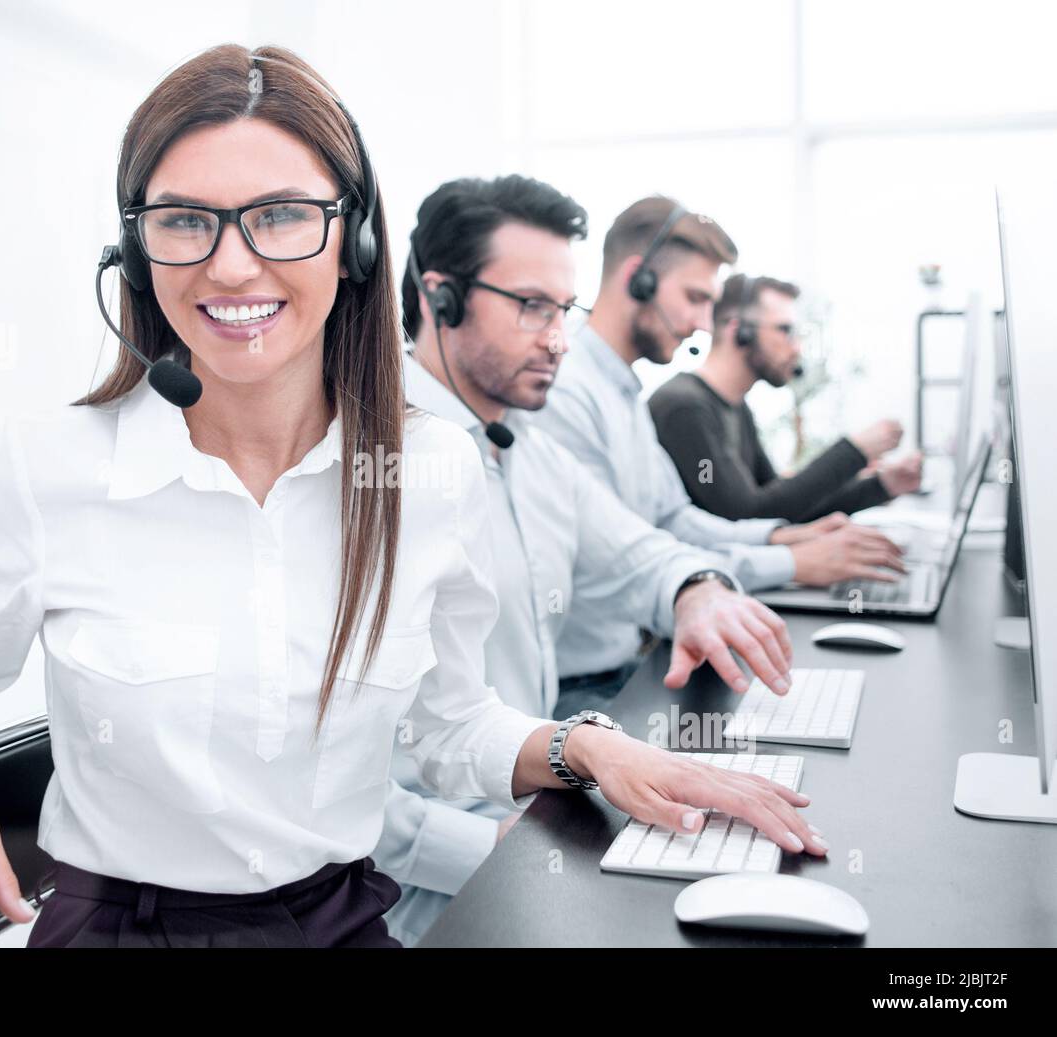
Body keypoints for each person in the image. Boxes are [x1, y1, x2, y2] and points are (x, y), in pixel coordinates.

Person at [0, 46, 822, 951]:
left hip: (344, 920)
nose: (230, 262)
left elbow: (446, 723)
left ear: (352, 243)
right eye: (182, 221)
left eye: (280, 215)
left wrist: (585, 750)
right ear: (135, 251)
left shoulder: (428, 469)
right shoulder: (50, 467)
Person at [374, 175, 822, 946]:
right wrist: (484, 850)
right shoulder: (371, 465)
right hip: (426, 892)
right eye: (531, 306)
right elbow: (324, 781)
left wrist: (696, 588)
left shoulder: (530, 447)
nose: (558, 338)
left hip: (540, 808)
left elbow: (642, 545)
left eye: (564, 310)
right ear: (439, 298)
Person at [531, 195, 905, 714]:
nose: (706, 324)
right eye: (694, 297)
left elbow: (673, 517)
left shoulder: (622, 390)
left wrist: (780, 536)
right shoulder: (567, 391)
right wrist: (792, 560)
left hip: (631, 666)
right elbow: (614, 563)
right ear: (638, 279)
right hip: (588, 690)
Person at [649, 272, 923, 522]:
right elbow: (742, 514)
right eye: (784, 330)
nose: (796, 348)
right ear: (739, 330)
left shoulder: (736, 408)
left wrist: (882, 486)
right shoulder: (684, 410)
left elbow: (781, 505)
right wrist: (854, 451)